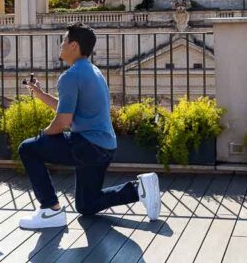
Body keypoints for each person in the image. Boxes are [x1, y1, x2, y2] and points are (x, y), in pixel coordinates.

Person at [18, 22, 161, 229]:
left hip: (88, 146)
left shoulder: (70, 76)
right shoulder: (93, 71)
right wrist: (41, 95)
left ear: (74, 46)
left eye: (64, 40)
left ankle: (50, 210)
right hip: (104, 147)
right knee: (87, 205)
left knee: (28, 148)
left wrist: (43, 136)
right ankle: (138, 190)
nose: (61, 45)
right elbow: (69, 110)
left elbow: (63, 122)